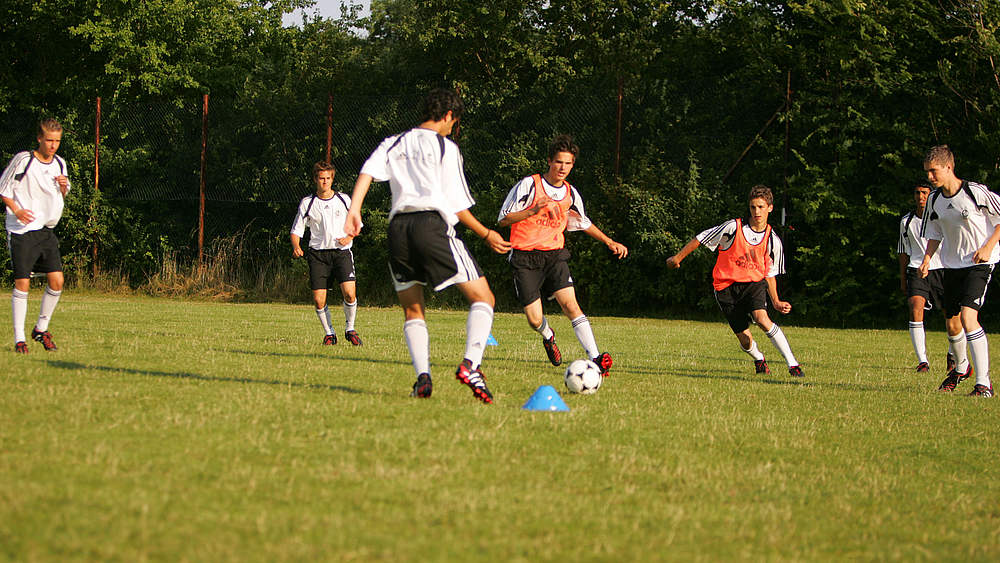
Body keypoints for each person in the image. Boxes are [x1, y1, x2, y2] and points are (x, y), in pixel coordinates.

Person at [344, 88, 511, 403]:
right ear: (448, 116)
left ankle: (423, 379)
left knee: (412, 308)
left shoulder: (394, 142)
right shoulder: (445, 148)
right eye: (454, 122)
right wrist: (486, 233)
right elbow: (456, 204)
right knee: (484, 298)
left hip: (398, 229)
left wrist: (354, 210)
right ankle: (471, 366)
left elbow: (367, 172)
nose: (452, 127)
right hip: (430, 225)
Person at [496, 134, 627, 376]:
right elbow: (503, 218)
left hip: (555, 255)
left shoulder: (571, 193)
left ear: (573, 164)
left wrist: (609, 241)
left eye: (568, 164)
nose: (562, 168)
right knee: (535, 319)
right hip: (525, 257)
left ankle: (597, 359)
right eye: (558, 162)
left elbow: (583, 222)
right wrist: (533, 209)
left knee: (571, 305)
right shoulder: (529, 185)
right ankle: (548, 335)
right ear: (549, 161)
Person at [666, 185, 803, 377]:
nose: (757, 212)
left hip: (753, 285)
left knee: (763, 320)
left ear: (770, 208)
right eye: (753, 207)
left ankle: (793, 365)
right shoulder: (733, 227)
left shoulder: (773, 240)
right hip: (725, 288)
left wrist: (776, 301)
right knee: (745, 339)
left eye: (761, 207)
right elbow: (701, 238)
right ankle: (759, 359)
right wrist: (677, 258)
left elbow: (769, 274)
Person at [918, 145, 1000, 397]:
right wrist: (927, 258)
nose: (930, 177)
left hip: (979, 264)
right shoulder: (934, 200)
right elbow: (934, 233)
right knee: (952, 325)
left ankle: (984, 384)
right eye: (927, 172)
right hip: (952, 265)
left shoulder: (975, 192)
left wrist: (988, 246)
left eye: (934, 171)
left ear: (949, 167)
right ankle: (962, 368)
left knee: (968, 318)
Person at [0, 118, 71, 353]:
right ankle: (19, 340)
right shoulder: (24, 160)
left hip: (46, 230)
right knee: (23, 282)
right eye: (49, 140)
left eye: (57, 141)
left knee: (57, 281)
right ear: (40, 138)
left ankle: (40, 330)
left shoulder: (60, 163)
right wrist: (18, 210)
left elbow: (62, 194)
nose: (53, 145)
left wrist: (63, 186)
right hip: (22, 231)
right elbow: (3, 189)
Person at [290, 161, 362, 346]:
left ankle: (350, 328)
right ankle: (329, 333)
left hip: (341, 253)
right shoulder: (308, 203)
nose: (325, 182)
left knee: (349, 294)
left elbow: (357, 223)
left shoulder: (343, 199)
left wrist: (349, 237)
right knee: (318, 299)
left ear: (332, 179)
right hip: (318, 256)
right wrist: (296, 245)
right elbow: (296, 230)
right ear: (315, 179)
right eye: (321, 178)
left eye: (328, 178)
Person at [898, 181, 959, 374]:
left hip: (942, 269)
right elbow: (902, 251)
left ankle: (953, 354)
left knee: (952, 316)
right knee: (915, 308)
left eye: (924, 193)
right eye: (917, 193)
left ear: (931, 195)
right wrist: (902, 278)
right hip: (916, 269)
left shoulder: (941, 218)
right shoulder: (906, 221)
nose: (921, 197)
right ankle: (923, 361)